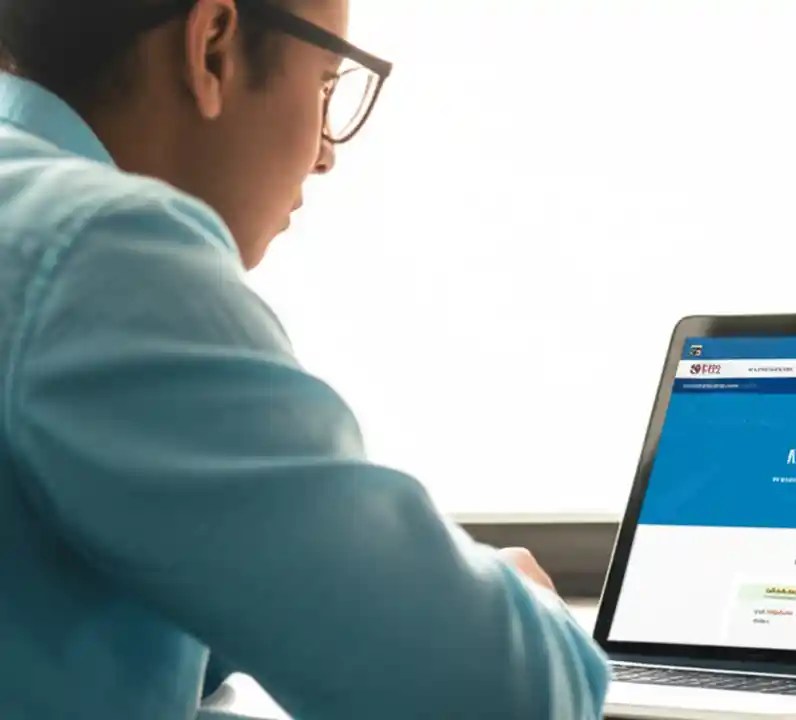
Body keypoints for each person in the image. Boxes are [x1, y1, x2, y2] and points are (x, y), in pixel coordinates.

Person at [0, 0, 610, 717]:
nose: (325, 154)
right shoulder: (101, 251)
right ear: (213, 46)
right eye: (325, 82)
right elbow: (498, 695)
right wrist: (524, 610)